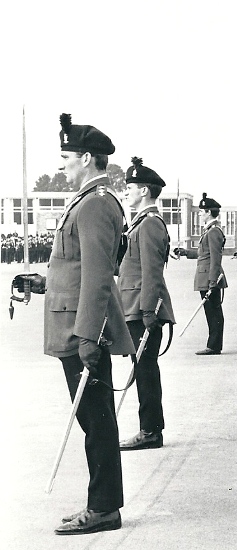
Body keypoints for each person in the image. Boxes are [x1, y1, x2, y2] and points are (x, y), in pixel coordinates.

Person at [17, 114, 135, 534]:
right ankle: (101, 503)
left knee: (96, 419)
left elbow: (100, 274)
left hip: (82, 331)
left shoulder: (98, 202)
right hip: (74, 325)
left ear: (87, 158)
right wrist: (42, 282)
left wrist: (88, 335)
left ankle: (103, 508)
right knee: (92, 418)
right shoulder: (88, 200)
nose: (63, 164)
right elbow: (76, 269)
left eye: (67, 157)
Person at [118, 157, 176, 450]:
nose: (126, 191)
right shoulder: (139, 223)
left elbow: (152, 273)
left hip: (143, 310)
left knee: (145, 371)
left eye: (130, 187)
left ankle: (150, 431)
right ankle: (150, 428)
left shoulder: (150, 224)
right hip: (134, 307)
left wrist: (148, 311)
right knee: (143, 370)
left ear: (144, 191)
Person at [194, 193, 227, 355]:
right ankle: (213, 344)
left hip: (209, 278)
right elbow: (204, 254)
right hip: (206, 277)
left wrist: (212, 282)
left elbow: (215, 259)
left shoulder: (214, 232)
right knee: (211, 312)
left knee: (214, 313)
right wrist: (185, 252)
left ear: (208, 212)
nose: (200, 215)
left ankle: (213, 345)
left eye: (201, 212)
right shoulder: (209, 231)